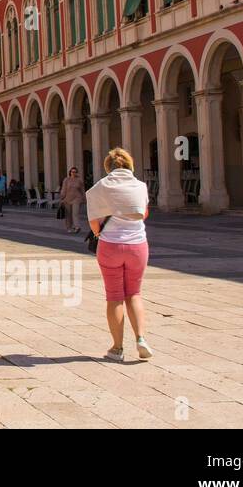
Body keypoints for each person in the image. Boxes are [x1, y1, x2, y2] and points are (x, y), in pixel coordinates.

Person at [85, 147, 153, 362]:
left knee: (114, 297)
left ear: (108, 167)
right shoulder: (140, 186)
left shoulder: (101, 186)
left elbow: (94, 220)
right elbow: (144, 213)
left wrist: (98, 234)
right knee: (134, 293)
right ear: (129, 164)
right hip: (138, 246)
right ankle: (141, 339)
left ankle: (117, 348)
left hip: (110, 246)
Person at [60, 167, 85, 234]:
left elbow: (82, 190)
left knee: (75, 213)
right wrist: (62, 197)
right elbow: (63, 189)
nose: (73, 173)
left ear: (77, 173)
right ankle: (69, 227)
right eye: (72, 172)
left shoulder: (79, 180)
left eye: (75, 172)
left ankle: (77, 227)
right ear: (70, 172)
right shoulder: (66, 180)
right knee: (68, 214)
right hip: (67, 199)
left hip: (77, 198)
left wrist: (84, 199)